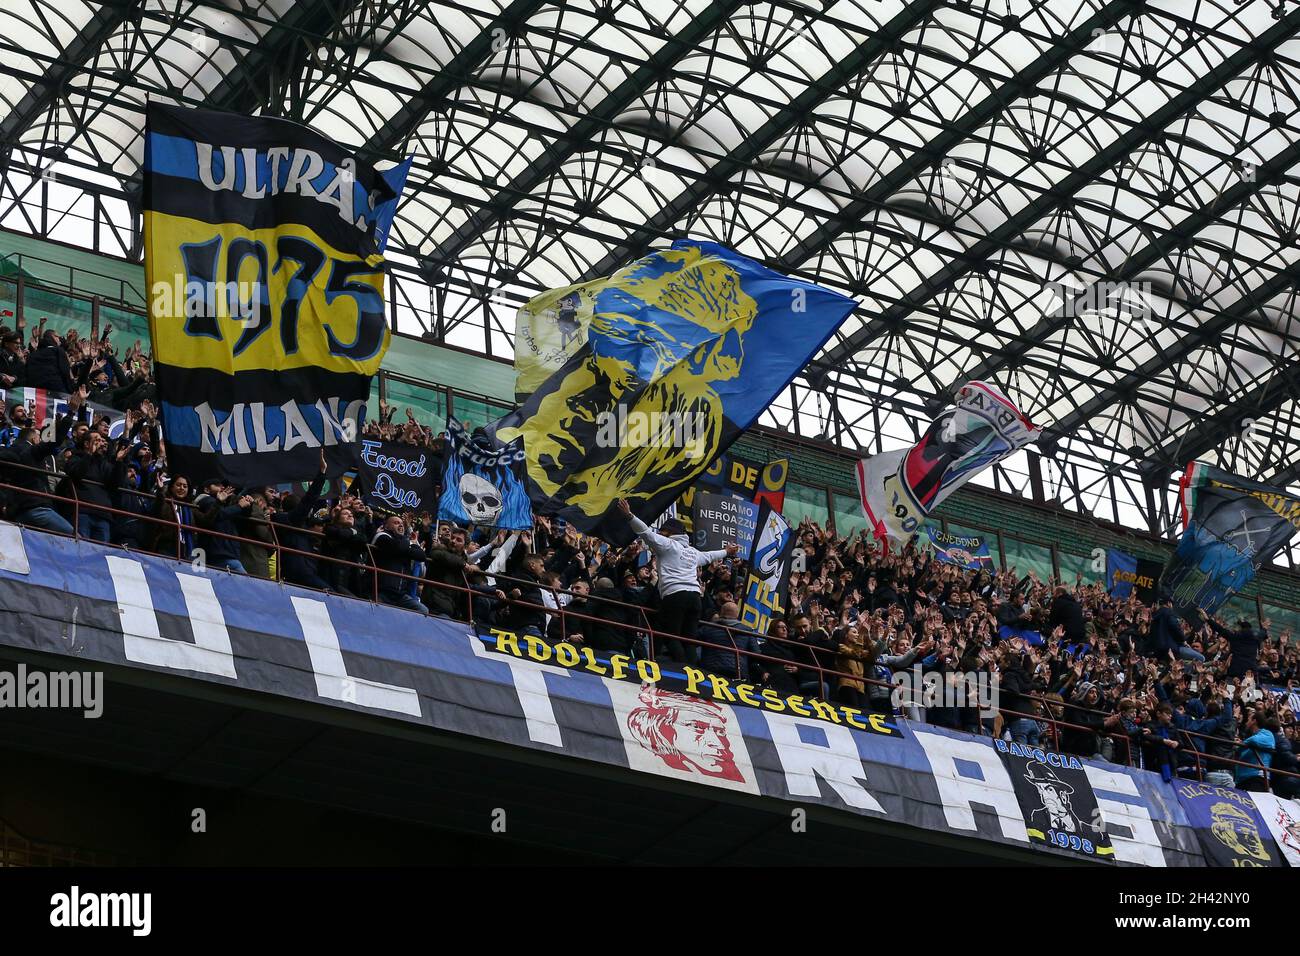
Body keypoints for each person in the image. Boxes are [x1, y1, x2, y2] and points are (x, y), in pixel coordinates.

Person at [616, 498, 737, 664]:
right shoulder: (693, 552)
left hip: (675, 596)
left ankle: (682, 668)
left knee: (670, 636)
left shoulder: (667, 545)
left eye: (662, 531)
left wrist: (629, 516)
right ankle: (693, 673)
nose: (659, 534)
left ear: (668, 532)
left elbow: (645, 533)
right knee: (689, 640)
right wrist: (727, 551)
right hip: (695, 598)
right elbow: (710, 556)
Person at [370, 515, 428, 611]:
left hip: (400, 595)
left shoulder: (404, 542)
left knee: (423, 610)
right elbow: (398, 547)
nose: (401, 526)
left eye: (402, 524)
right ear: (387, 526)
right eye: (396, 523)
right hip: (380, 591)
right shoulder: (382, 536)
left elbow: (421, 555)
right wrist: (409, 542)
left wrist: (410, 543)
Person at [697, 602, 759, 682]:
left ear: (721, 612)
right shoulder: (747, 631)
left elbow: (691, 641)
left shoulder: (709, 627)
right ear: (737, 614)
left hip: (711, 670)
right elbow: (756, 653)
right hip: (738, 672)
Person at [1234, 711, 1277, 792]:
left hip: (1257, 778)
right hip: (1242, 780)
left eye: (1248, 720)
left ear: (1254, 721)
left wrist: (1242, 744)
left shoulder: (1267, 733)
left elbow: (1256, 740)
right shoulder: (1251, 738)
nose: (1246, 723)